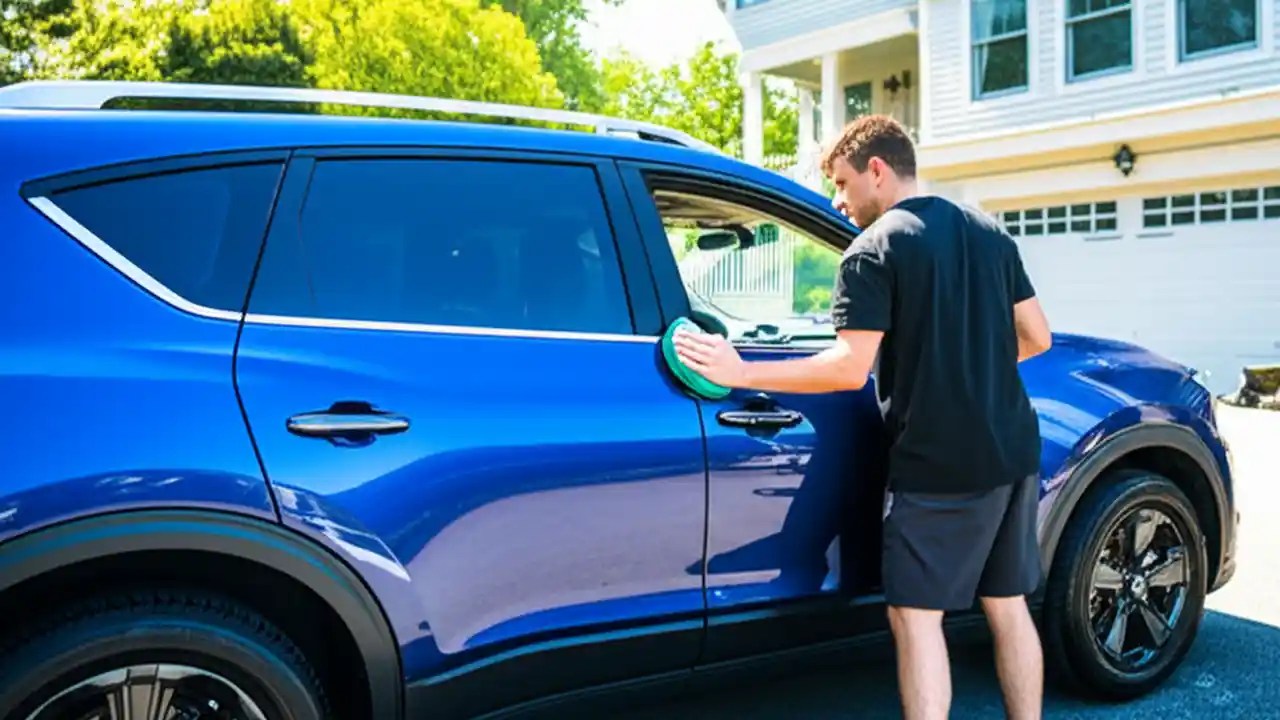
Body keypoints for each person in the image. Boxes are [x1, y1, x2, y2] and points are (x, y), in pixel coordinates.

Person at [672, 114, 1052, 720]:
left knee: (914, 616)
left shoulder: (872, 250)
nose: (838, 201)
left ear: (876, 170)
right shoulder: (988, 233)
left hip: (939, 463)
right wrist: (966, 359)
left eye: (842, 184)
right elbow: (1037, 336)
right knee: (1007, 605)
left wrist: (739, 372)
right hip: (1014, 451)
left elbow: (849, 367)